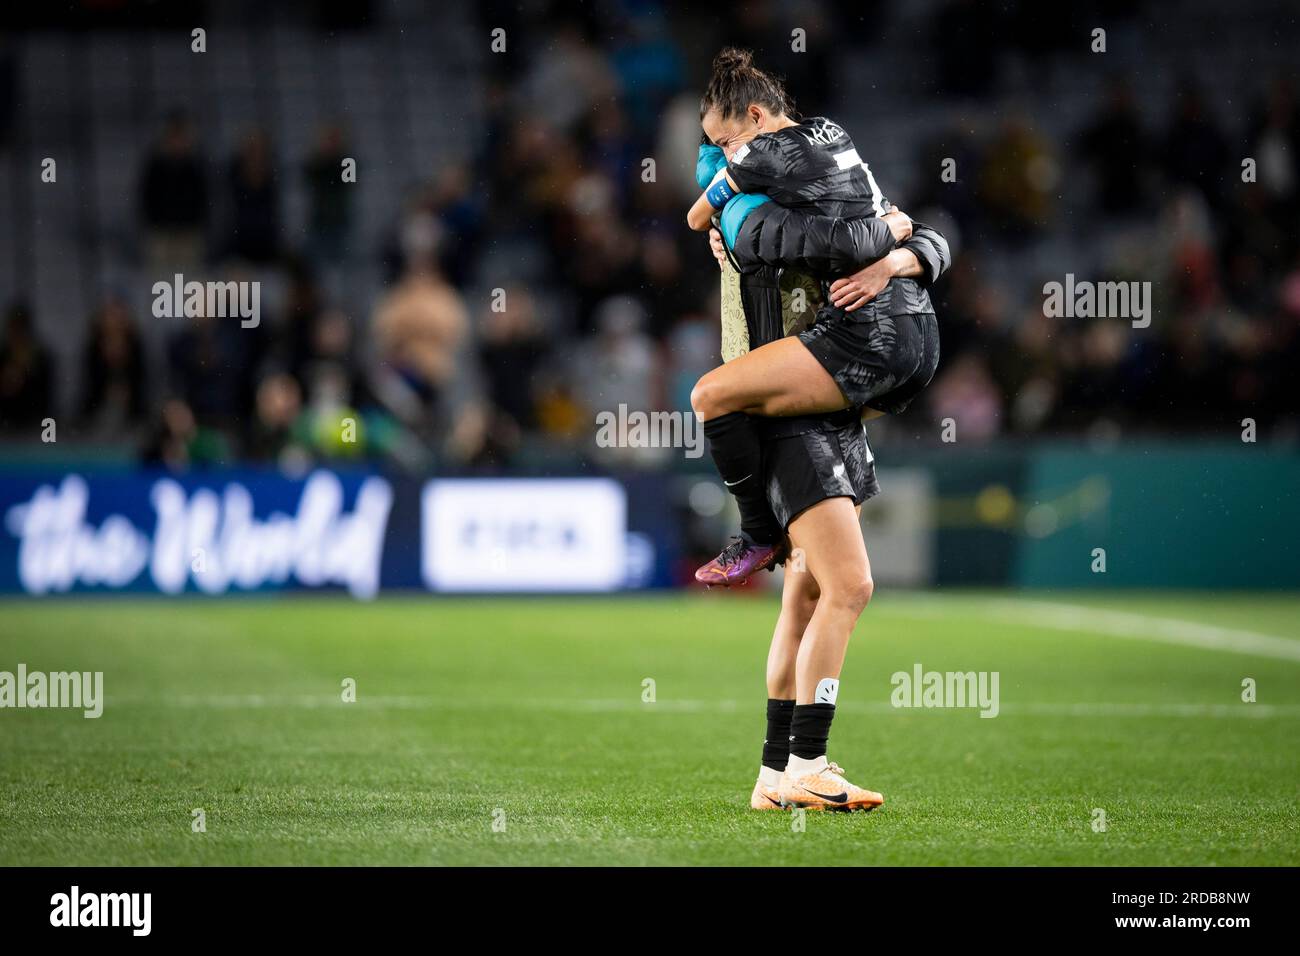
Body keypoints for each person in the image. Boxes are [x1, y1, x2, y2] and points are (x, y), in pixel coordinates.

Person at [686, 49, 945, 588]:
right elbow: (866, 234)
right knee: (816, 594)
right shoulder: (752, 214)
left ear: (756, 119)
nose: (727, 155)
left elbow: (910, 238)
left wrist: (890, 259)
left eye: (727, 142)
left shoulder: (803, 185)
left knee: (834, 591)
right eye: (716, 150)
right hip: (810, 376)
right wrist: (890, 238)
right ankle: (759, 537)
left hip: (825, 370)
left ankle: (756, 534)